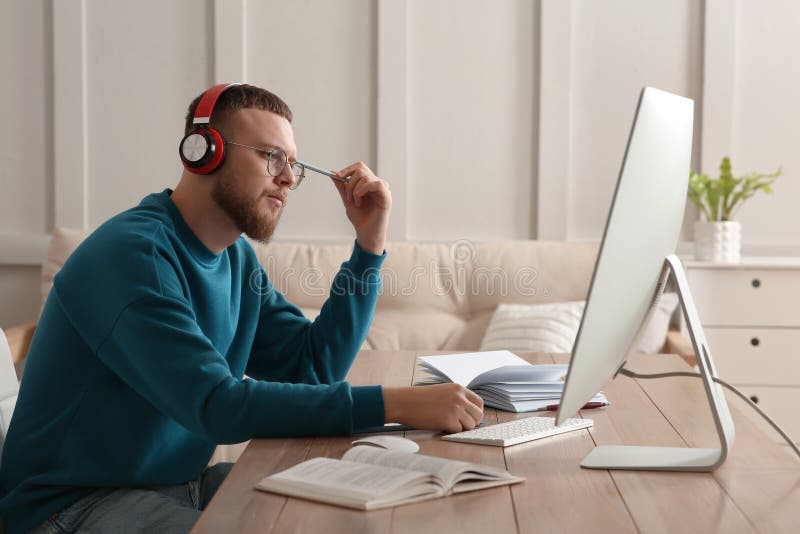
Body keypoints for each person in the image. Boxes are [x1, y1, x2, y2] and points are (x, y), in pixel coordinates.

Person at [0, 83, 483, 533]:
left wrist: (369, 244)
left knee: (352, 514)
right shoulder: (132, 256)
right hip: (70, 508)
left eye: (293, 164)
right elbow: (217, 405)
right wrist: (394, 402)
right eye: (273, 157)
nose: (288, 178)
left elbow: (312, 367)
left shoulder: (234, 258)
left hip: (176, 486)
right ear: (203, 153)